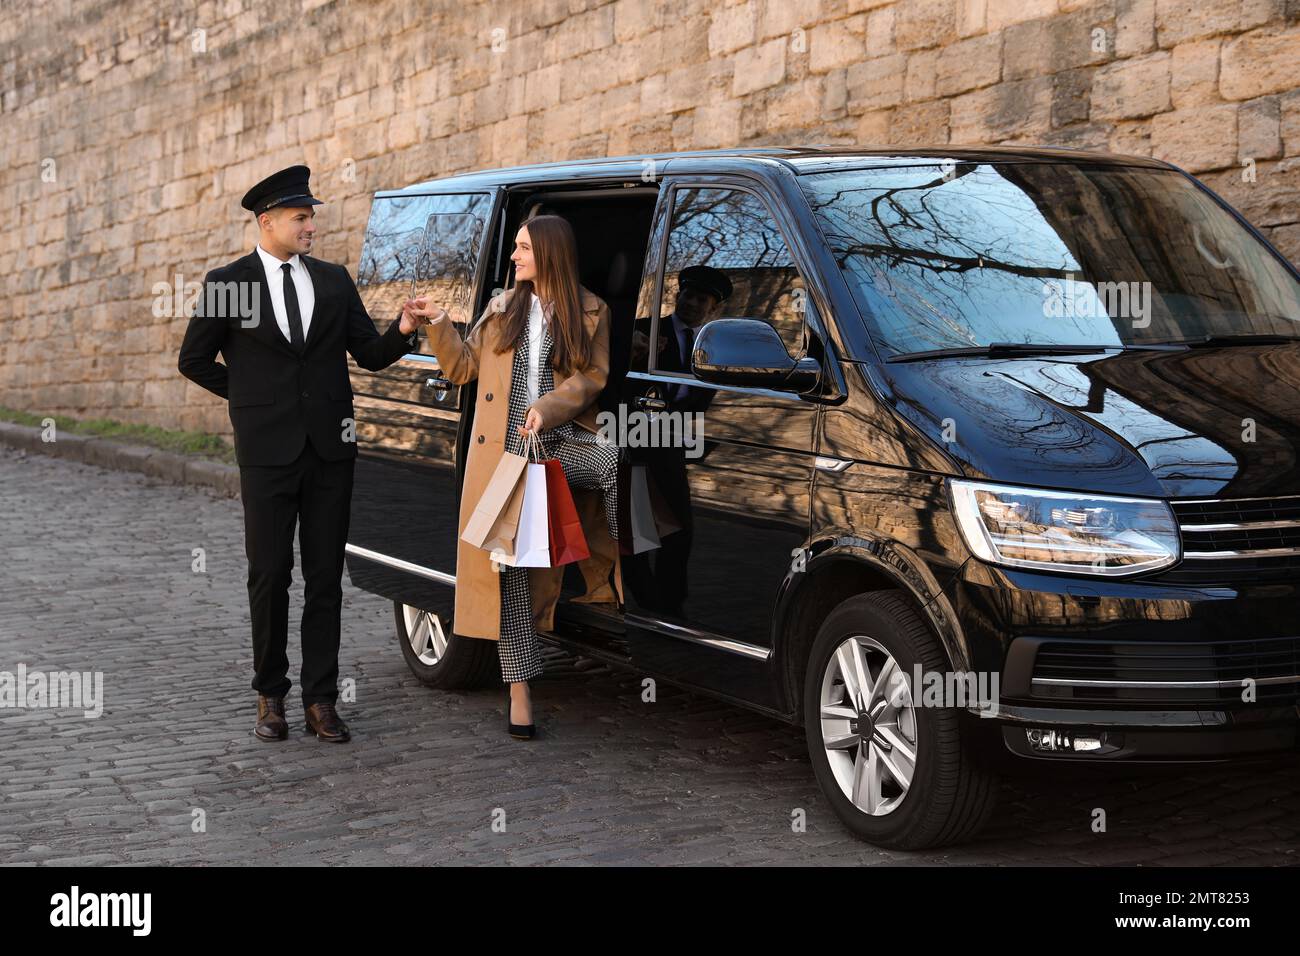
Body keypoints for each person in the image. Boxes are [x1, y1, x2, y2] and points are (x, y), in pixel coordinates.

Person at [178, 165, 431, 744]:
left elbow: (369, 354)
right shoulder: (228, 282)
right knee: (269, 574)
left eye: (312, 215)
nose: (311, 224)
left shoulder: (335, 280)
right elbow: (193, 361)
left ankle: (322, 699)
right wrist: (251, 401)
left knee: (325, 578)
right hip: (266, 455)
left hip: (330, 452)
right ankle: (270, 696)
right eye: (301, 216)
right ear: (266, 222)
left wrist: (405, 326)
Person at [405, 214, 622, 740]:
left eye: (523, 248)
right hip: (506, 455)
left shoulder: (591, 309)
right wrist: (438, 323)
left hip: (559, 438)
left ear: (549, 253)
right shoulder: (502, 308)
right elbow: (460, 369)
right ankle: (520, 689)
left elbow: (593, 377)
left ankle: (610, 584)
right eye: (515, 247)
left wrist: (548, 409)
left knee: (613, 464)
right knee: (513, 571)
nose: (514, 256)